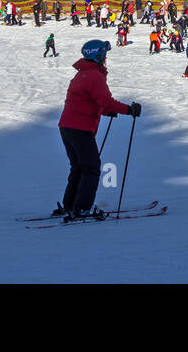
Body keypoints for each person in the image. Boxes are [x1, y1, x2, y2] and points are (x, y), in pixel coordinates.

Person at [55, 40, 139, 221]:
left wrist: (106, 111)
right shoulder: (94, 76)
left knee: (78, 167)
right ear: (98, 56)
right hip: (80, 129)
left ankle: (70, 205)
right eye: (105, 55)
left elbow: (89, 101)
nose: (106, 58)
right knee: (91, 168)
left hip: (67, 127)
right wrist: (129, 110)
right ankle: (82, 209)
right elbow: (106, 102)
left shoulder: (82, 75)